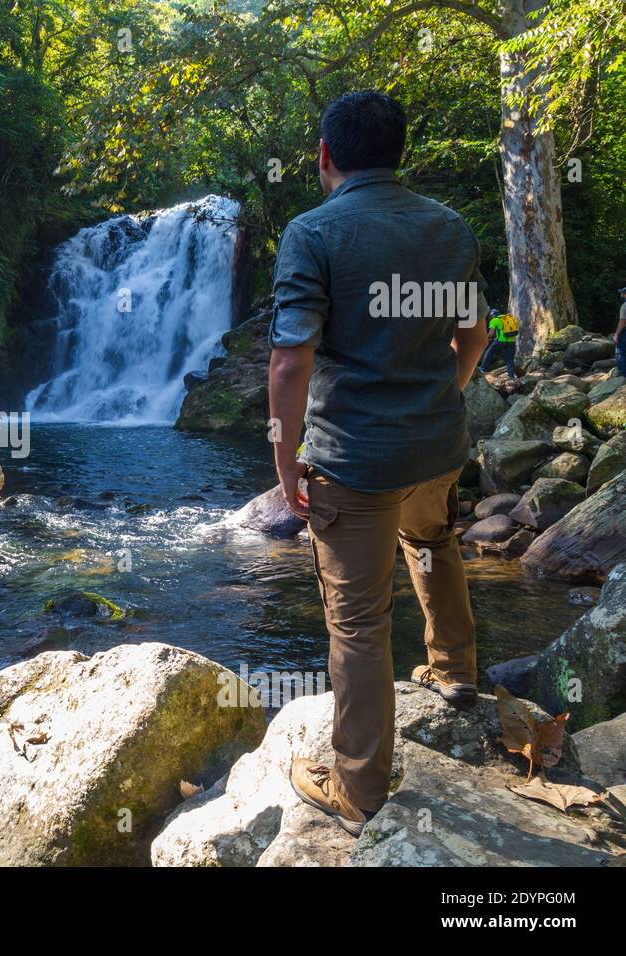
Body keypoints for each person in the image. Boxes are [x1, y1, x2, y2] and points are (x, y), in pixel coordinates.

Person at [267, 91, 490, 836]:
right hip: (436, 447)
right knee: (431, 543)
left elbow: (290, 363)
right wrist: (442, 397)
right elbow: (476, 334)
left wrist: (284, 458)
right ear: (401, 155)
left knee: (358, 623)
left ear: (326, 156)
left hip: (353, 459)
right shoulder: (449, 226)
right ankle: (456, 671)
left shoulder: (313, 232)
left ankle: (357, 791)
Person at [480, 306, 519, 380]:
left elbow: (491, 334)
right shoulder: (510, 318)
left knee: (489, 352)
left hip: (500, 341)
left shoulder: (494, 320)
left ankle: (483, 368)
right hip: (512, 341)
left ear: (491, 316)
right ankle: (511, 376)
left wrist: (485, 337)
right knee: (510, 359)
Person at [614, 287, 626, 380]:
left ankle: (623, 376)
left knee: (620, 352)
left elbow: (622, 322)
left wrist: (617, 334)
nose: (621, 295)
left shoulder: (624, 306)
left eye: (622, 293)